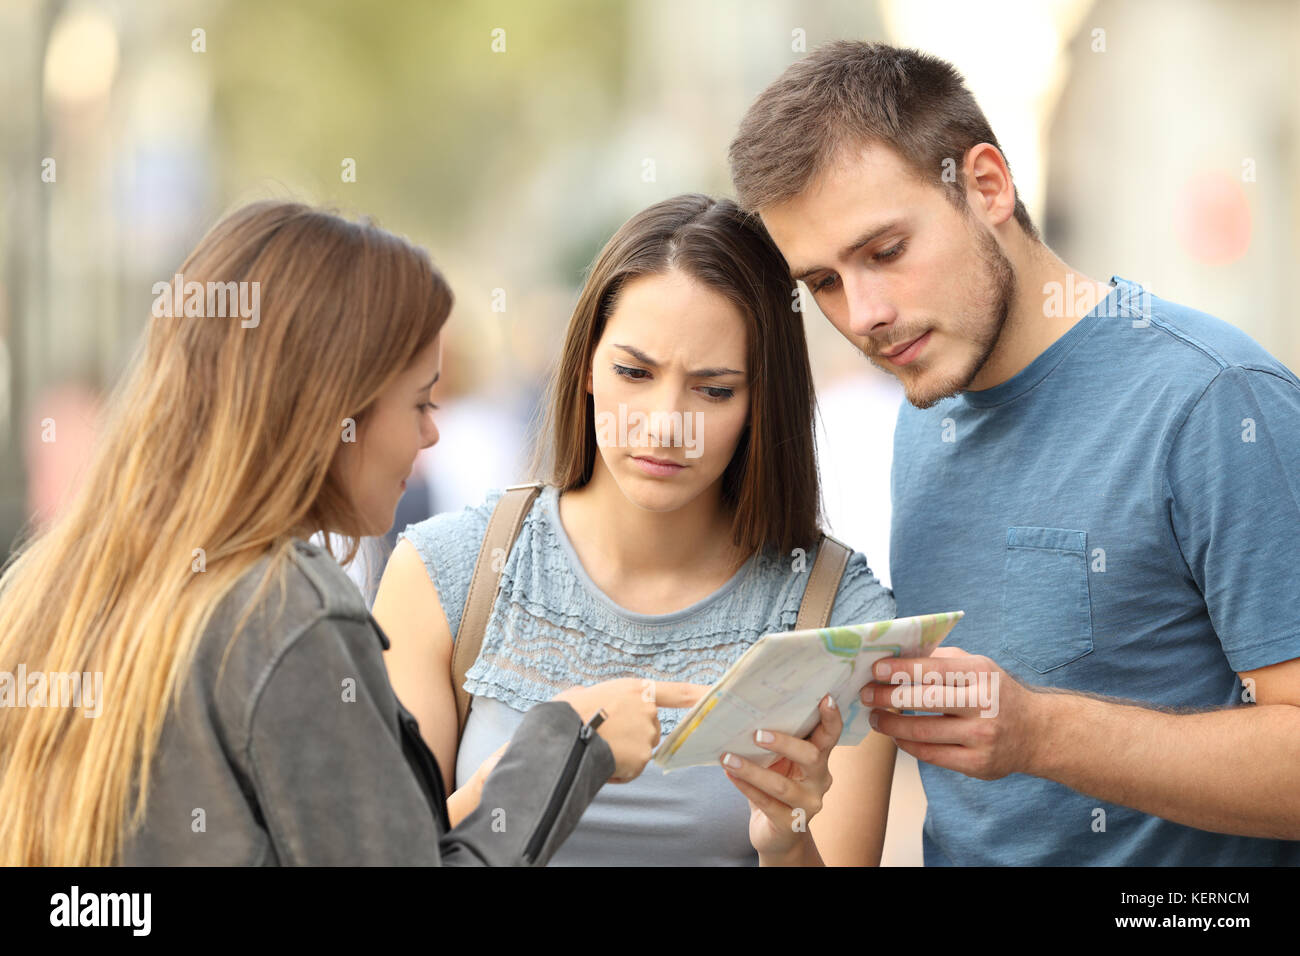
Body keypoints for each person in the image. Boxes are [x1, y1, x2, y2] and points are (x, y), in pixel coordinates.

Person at [729, 40, 1300, 864]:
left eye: (885, 251)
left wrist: (1041, 732)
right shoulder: (926, 409)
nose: (864, 314)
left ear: (987, 186)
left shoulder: (1216, 400)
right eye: (822, 282)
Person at [0, 200, 678, 866]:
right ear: (334, 408)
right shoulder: (288, 615)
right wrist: (569, 745)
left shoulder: (50, 592)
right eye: (420, 402)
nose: (430, 434)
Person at [374, 194, 899, 866]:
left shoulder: (837, 618)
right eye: (633, 373)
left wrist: (787, 841)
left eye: (713, 389)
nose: (663, 425)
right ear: (585, 365)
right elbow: (387, 855)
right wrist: (543, 766)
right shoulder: (445, 573)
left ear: (763, 401)